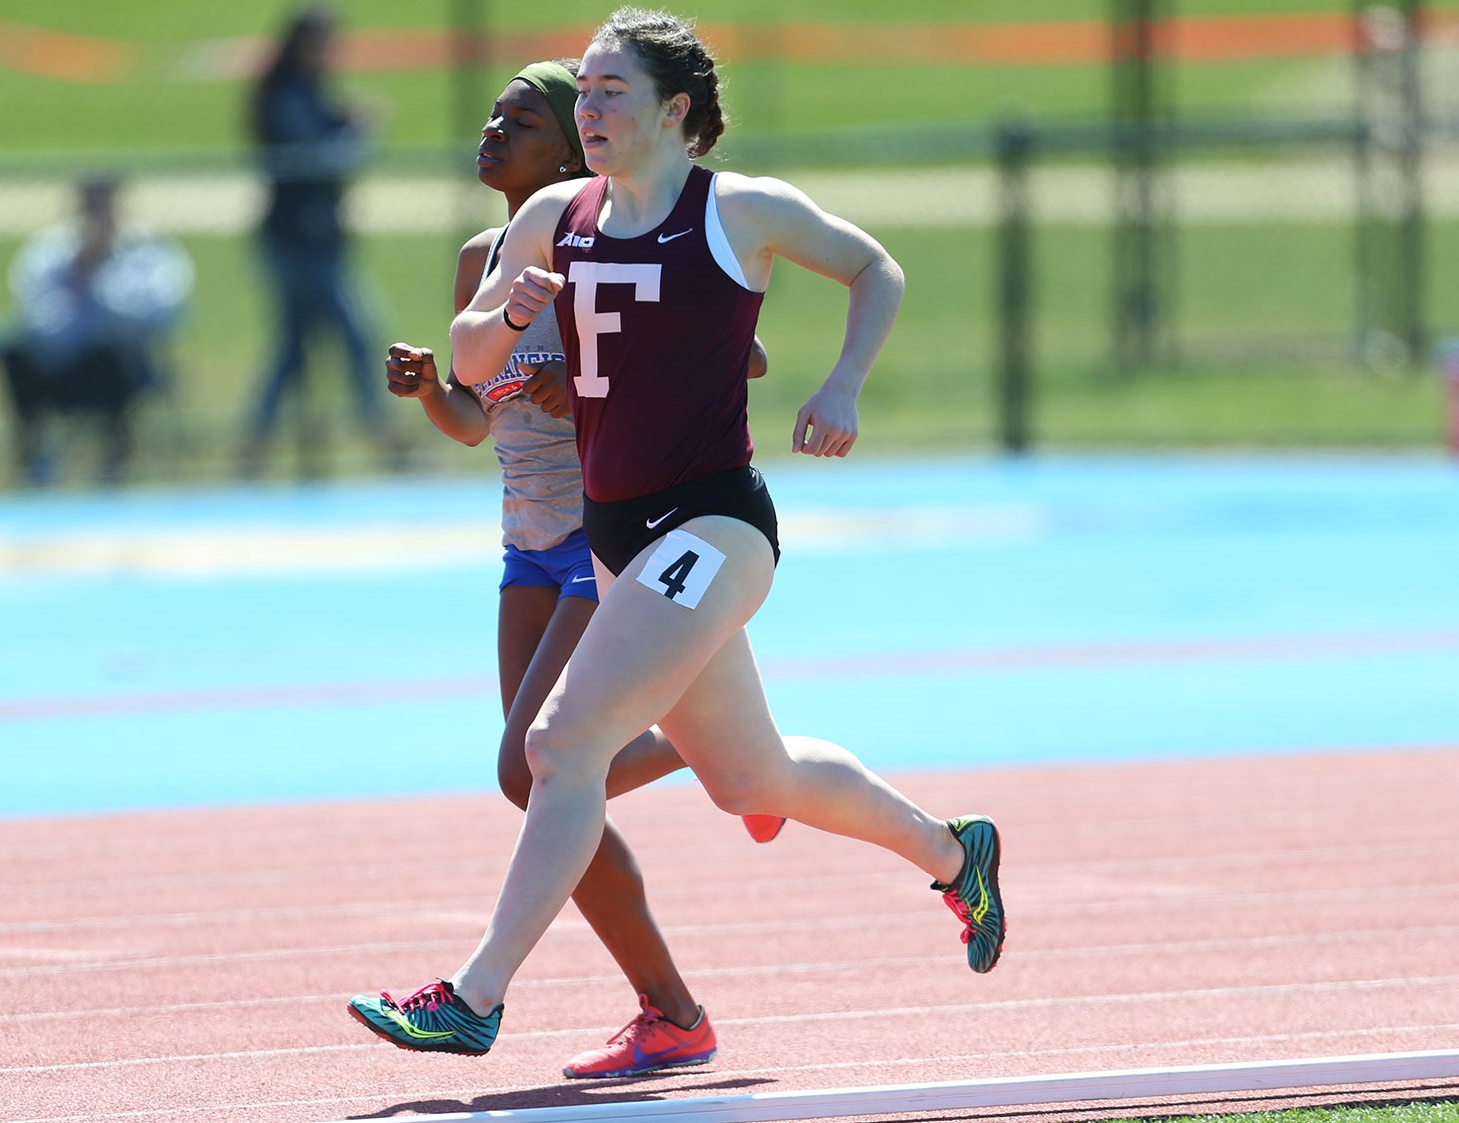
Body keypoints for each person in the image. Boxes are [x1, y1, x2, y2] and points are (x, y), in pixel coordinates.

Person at [348, 7, 1004, 1061]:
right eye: (585, 91)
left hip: (713, 522)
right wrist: (509, 315)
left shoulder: (738, 209)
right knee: (753, 778)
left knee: (559, 744)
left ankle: (473, 996)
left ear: (674, 110)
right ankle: (953, 853)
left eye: (612, 91)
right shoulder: (555, 214)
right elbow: (468, 363)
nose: (591, 109)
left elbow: (873, 266)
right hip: (615, 538)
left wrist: (842, 382)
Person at [381, 59, 780, 1080]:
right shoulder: (483, 259)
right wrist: (429, 391)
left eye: (519, 121)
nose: (490, 131)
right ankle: (673, 1013)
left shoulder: (611, 239)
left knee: (533, 766)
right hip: (524, 539)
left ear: (570, 153)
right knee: (547, 782)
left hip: (606, 537)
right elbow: (474, 418)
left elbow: (738, 357)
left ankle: (704, 750)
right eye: (493, 114)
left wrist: (597, 382)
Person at [238, 7, 400, 474]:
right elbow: (321, 160)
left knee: (294, 346)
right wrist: (358, 131)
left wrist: (343, 121)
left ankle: (256, 435)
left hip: (316, 238)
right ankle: (378, 426)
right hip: (297, 240)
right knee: (356, 331)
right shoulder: (286, 94)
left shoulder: (307, 89)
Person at [0, 176, 192, 485]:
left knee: (113, 355)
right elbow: (34, 319)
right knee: (13, 355)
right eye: (89, 206)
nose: (95, 216)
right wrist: (78, 272)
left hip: (117, 367)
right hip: (57, 367)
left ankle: (114, 459)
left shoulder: (147, 252)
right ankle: (34, 456)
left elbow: (162, 313)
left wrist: (98, 280)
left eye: (102, 206)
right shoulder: (49, 253)